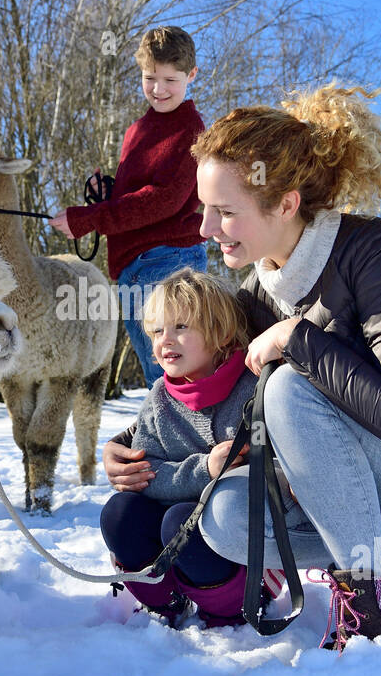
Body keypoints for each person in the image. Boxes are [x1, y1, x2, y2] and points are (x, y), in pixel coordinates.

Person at [103, 83, 381, 649]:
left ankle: (374, 595)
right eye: (204, 209)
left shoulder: (378, 255)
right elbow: (204, 369)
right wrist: (129, 441)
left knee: (288, 388)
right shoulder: (259, 293)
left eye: (225, 211)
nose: (205, 230)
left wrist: (299, 339)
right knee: (225, 520)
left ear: (285, 203)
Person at [99, 268, 273, 628]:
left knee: (183, 522)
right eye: (158, 331)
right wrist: (204, 468)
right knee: (121, 513)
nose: (166, 340)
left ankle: (230, 608)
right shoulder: (158, 400)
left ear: (221, 334)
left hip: (241, 544)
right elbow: (145, 474)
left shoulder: (253, 388)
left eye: (181, 327)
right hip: (171, 525)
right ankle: (164, 601)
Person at [48, 26, 208, 385]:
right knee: (159, 377)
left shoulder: (191, 129)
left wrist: (90, 217)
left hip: (169, 260)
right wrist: (108, 193)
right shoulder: (137, 130)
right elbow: (137, 196)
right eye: (150, 77)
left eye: (171, 79)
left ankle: (190, 440)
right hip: (133, 265)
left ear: (191, 76)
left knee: (175, 375)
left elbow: (164, 201)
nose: (159, 88)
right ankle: (167, 439)